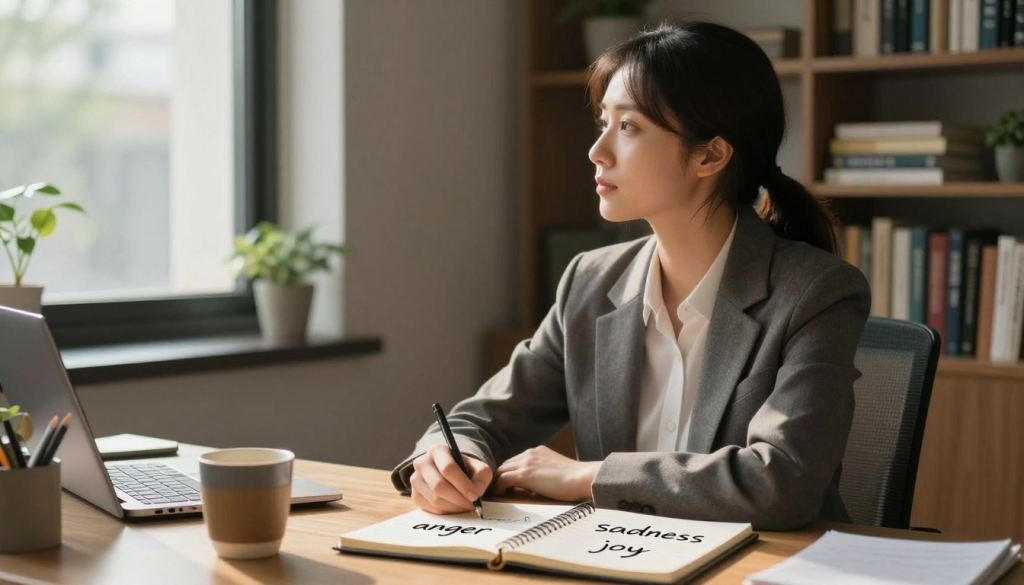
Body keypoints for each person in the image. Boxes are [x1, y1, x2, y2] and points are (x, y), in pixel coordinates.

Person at [390, 20, 871, 531]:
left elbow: (782, 482)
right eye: (604, 122)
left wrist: (589, 477)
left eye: (628, 127)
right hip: (618, 556)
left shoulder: (816, 293)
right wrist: (450, 457)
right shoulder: (590, 281)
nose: (597, 151)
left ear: (710, 154)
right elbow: (483, 418)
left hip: (764, 563)